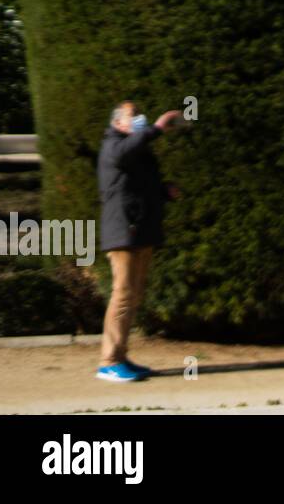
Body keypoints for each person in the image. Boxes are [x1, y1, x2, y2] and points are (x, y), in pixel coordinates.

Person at [96, 101, 185, 382]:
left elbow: (136, 187)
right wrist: (158, 127)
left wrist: (163, 191)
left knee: (132, 296)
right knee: (122, 296)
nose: (139, 120)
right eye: (133, 116)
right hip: (124, 233)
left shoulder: (135, 151)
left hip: (138, 232)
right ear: (117, 123)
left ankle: (120, 357)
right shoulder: (113, 145)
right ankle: (108, 362)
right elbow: (124, 155)